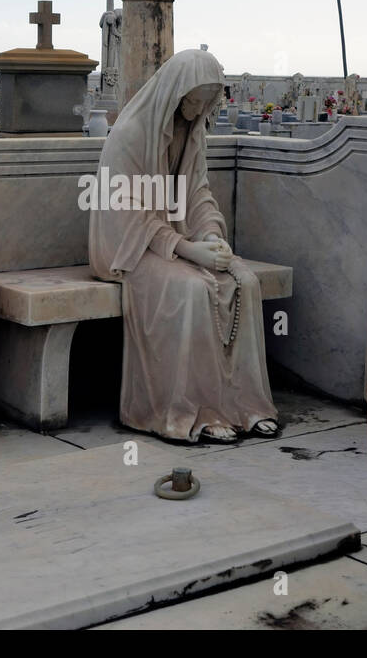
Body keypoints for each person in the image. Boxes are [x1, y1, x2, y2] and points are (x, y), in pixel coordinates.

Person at [89, 48, 279, 443]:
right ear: (176, 91)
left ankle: (244, 405)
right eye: (195, 97)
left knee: (242, 280)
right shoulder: (129, 136)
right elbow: (126, 215)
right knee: (192, 288)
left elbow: (198, 195)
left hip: (174, 242)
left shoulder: (192, 133)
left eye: (208, 98)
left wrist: (210, 236)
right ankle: (188, 410)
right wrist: (188, 250)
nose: (201, 106)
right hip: (129, 249)